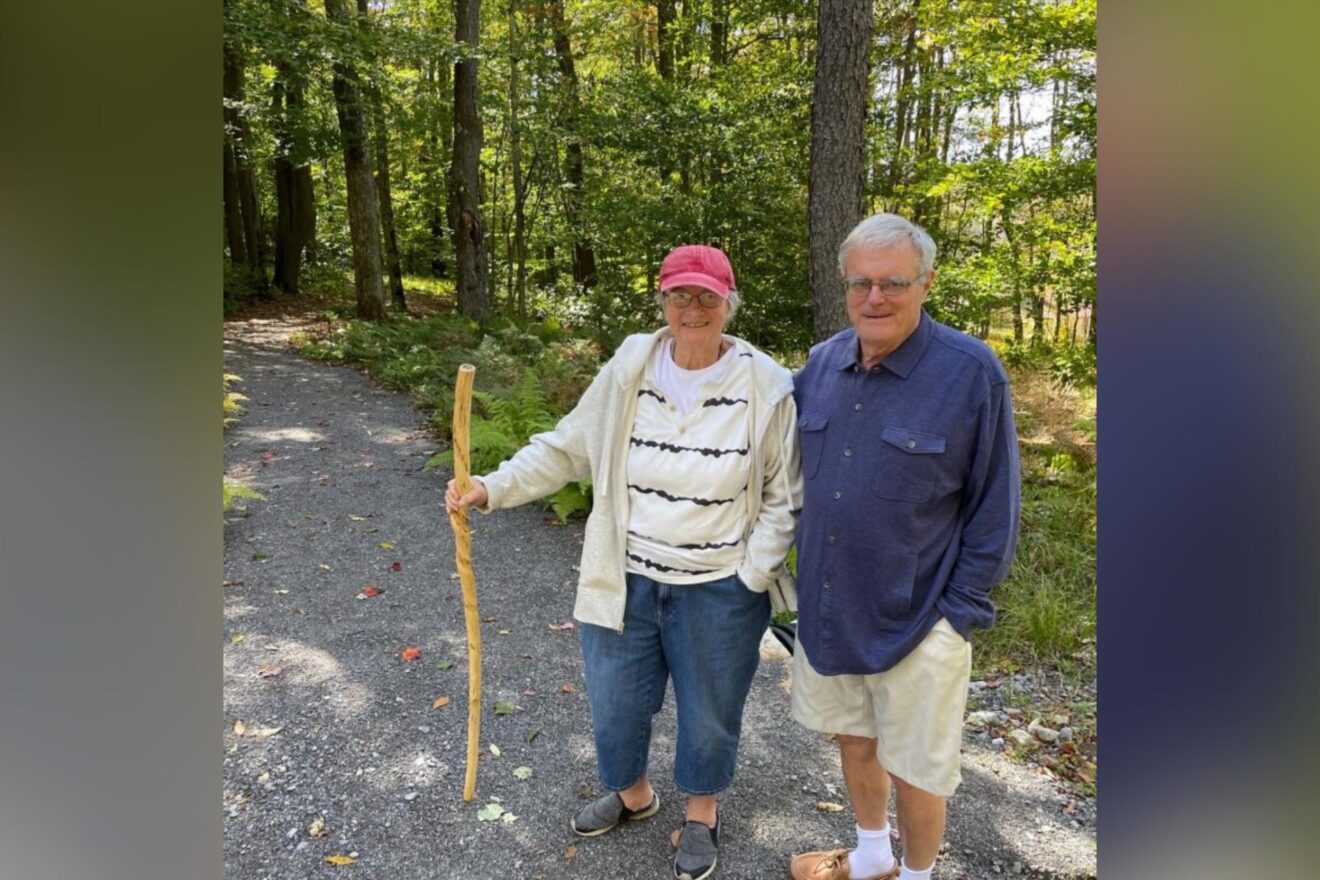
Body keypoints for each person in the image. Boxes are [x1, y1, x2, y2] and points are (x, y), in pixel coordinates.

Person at [446, 244, 800, 880]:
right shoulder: (630, 368)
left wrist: (750, 575)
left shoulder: (766, 386)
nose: (693, 308)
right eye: (679, 295)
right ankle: (634, 795)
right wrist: (490, 487)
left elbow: (783, 495)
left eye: (707, 297)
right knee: (615, 700)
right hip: (627, 575)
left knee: (710, 710)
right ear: (662, 301)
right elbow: (565, 447)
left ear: (729, 304)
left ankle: (701, 813)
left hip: (721, 586)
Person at [787, 214, 1021, 880]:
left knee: (920, 771)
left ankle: (916, 877)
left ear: (927, 283)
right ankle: (870, 858)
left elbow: (994, 507)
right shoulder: (823, 365)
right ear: (845, 284)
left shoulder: (971, 374)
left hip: (923, 620)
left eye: (893, 282)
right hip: (835, 608)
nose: (875, 298)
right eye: (860, 283)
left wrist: (957, 615)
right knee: (855, 740)